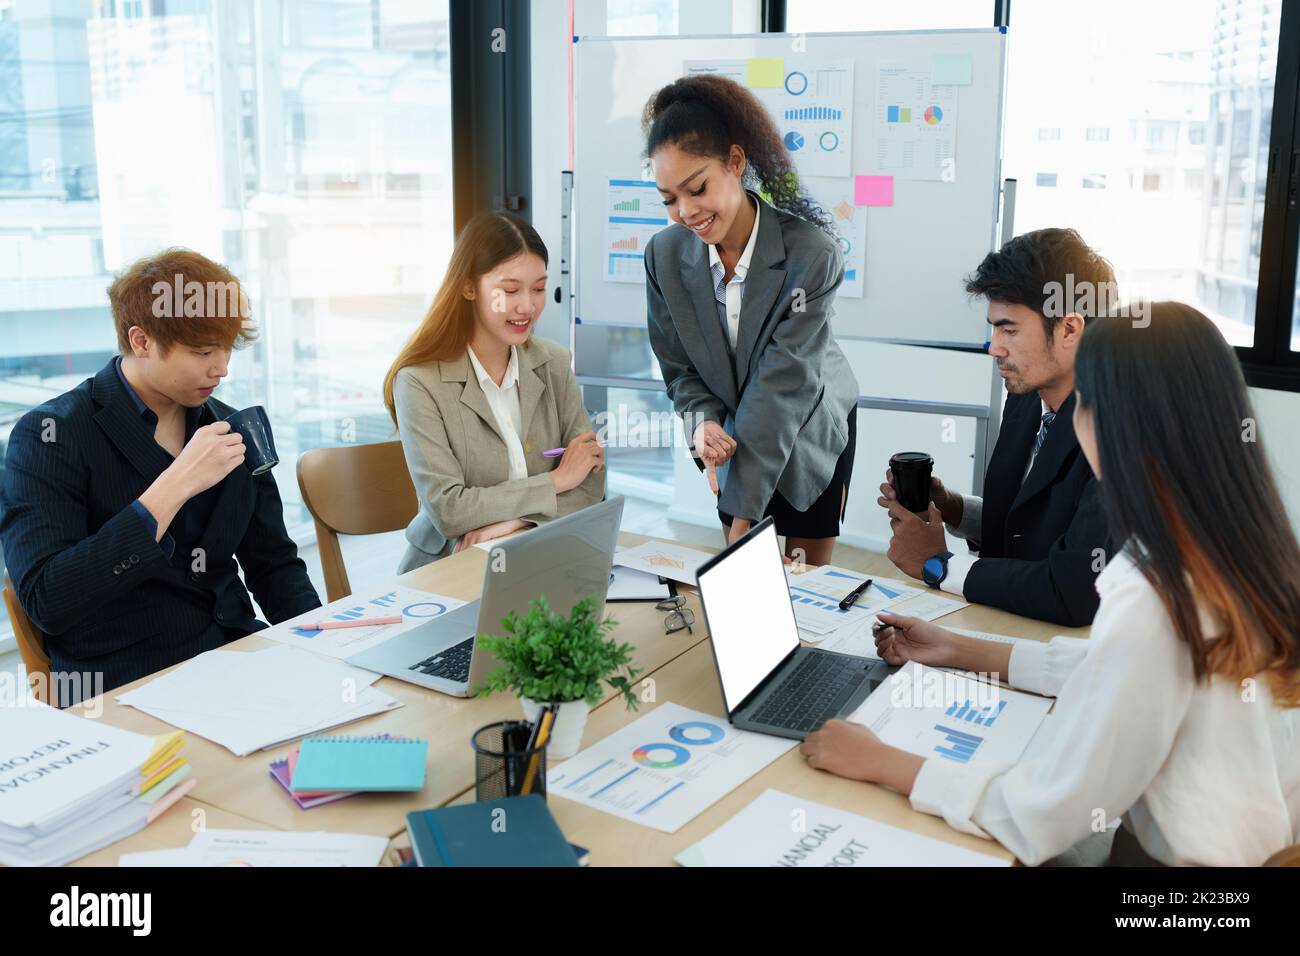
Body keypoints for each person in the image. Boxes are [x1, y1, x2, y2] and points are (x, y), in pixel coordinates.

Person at [802, 302, 1300, 866]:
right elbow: (1120, 671)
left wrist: (880, 760)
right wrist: (961, 649)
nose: (996, 346)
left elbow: (1045, 812)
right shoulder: (1235, 539)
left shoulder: (1156, 591)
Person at [0, 248, 320, 705]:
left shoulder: (232, 426)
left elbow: (274, 566)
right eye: (203, 351)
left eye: (228, 348)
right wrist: (173, 487)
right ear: (142, 341)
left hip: (240, 661)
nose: (222, 367)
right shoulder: (51, 435)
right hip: (126, 686)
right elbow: (48, 599)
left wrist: (323, 647)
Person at [642, 74, 858, 566]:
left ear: (735, 163)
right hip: (732, 432)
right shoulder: (664, 256)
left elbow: (783, 388)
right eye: (668, 198)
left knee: (806, 587)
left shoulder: (812, 257)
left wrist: (742, 522)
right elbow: (681, 372)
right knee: (748, 586)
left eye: (697, 188)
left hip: (807, 427)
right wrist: (703, 425)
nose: (685, 212)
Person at [880, 228, 1114, 626]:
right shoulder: (1026, 396)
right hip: (1008, 618)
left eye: (1009, 330)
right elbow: (1031, 528)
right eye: (993, 329)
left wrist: (937, 563)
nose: (994, 347)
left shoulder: (1116, 431)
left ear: (1070, 330)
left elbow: (1074, 589)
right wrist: (953, 509)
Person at [383, 211, 605, 571]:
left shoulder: (554, 363)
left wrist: (519, 524)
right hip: (451, 570)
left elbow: (592, 482)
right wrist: (557, 479)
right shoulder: (419, 382)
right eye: (510, 289)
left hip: (542, 555)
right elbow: (450, 510)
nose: (527, 307)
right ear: (469, 286)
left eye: (538, 288)